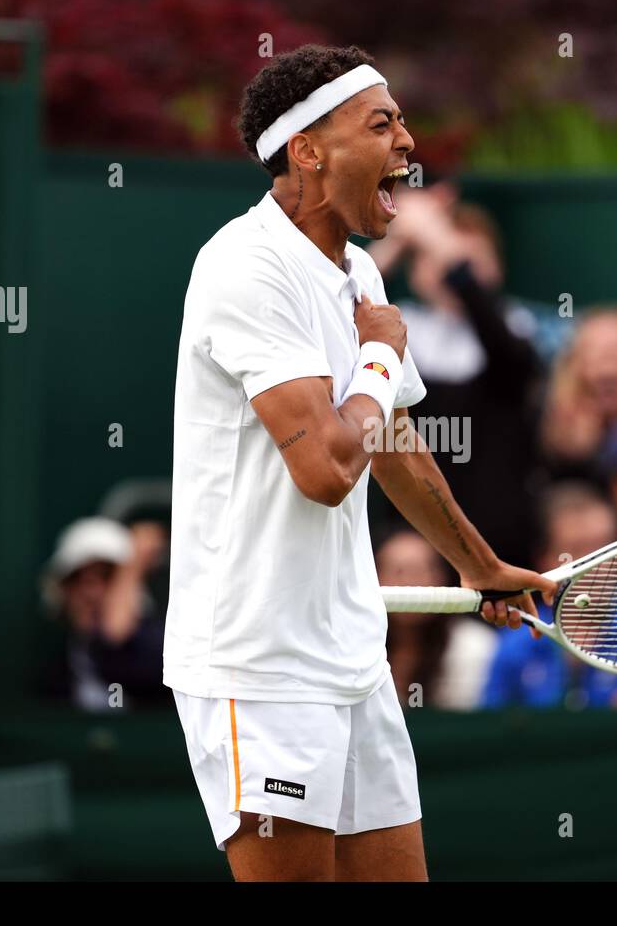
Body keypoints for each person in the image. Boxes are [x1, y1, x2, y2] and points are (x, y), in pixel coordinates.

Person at [164, 45, 556, 882]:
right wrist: (378, 359)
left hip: (351, 657)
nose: (409, 144)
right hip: (257, 663)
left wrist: (480, 566)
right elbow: (329, 468)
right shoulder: (241, 267)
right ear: (308, 148)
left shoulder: (360, 270)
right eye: (383, 123)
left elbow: (393, 446)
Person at [364, 185, 545, 568]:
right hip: (415, 548)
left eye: (469, 259)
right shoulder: (397, 330)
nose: (451, 272)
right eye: (433, 259)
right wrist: (399, 238)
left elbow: (495, 332)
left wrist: (434, 236)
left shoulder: (515, 331)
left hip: (500, 547)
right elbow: (339, 302)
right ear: (415, 273)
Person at [481, 483, 617, 710]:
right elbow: (491, 728)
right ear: (544, 559)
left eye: (606, 546)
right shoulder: (514, 644)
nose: (598, 564)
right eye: (579, 548)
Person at [38, 517, 169, 711]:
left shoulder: (162, 650)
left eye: (107, 577)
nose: (91, 593)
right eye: (76, 578)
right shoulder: (55, 667)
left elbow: (114, 644)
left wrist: (132, 568)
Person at [376, 528, 500, 711]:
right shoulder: (352, 648)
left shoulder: (475, 644)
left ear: (441, 578)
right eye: (399, 571)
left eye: (421, 570)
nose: (411, 582)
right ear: (374, 578)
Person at [539, 306, 617, 480]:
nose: (610, 370)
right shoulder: (537, 417)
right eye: (597, 355)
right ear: (573, 365)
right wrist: (569, 457)